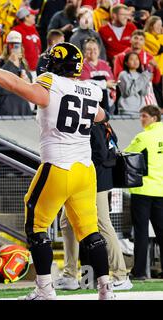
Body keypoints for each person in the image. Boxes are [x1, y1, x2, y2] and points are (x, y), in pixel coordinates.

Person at [0, 42, 114, 300]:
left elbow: (18, 87)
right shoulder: (91, 89)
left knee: (37, 227)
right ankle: (106, 289)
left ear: (57, 65)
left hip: (58, 166)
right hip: (85, 171)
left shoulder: (51, 82)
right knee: (89, 231)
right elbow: (101, 115)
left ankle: (45, 290)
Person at [55, 120, 133, 291]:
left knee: (102, 223)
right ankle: (69, 275)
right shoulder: (100, 121)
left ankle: (121, 275)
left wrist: (82, 167)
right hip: (85, 179)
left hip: (94, 180)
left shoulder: (95, 123)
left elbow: (101, 154)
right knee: (66, 223)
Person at [124, 105, 163, 280]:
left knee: (141, 232)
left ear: (154, 118)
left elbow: (126, 154)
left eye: (144, 116)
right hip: (161, 190)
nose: (141, 119)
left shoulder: (143, 137)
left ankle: (139, 272)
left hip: (143, 190)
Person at [0, 31, 33, 116]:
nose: (14, 48)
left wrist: (26, 79)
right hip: (7, 100)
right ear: (7, 46)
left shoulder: (23, 62)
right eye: (12, 44)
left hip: (22, 100)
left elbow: (30, 82)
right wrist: (11, 62)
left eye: (17, 45)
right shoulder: (1, 61)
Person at [80, 37, 116, 111]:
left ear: (99, 51)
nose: (92, 51)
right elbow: (84, 83)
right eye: (89, 49)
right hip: (90, 104)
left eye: (95, 49)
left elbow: (112, 83)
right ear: (84, 52)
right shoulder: (82, 65)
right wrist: (104, 84)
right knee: (100, 78)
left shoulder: (105, 65)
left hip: (109, 103)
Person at [12, 6, 41, 77]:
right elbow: (14, 52)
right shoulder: (16, 31)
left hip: (34, 70)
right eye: (33, 15)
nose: (35, 17)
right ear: (26, 17)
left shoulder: (34, 30)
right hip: (23, 71)